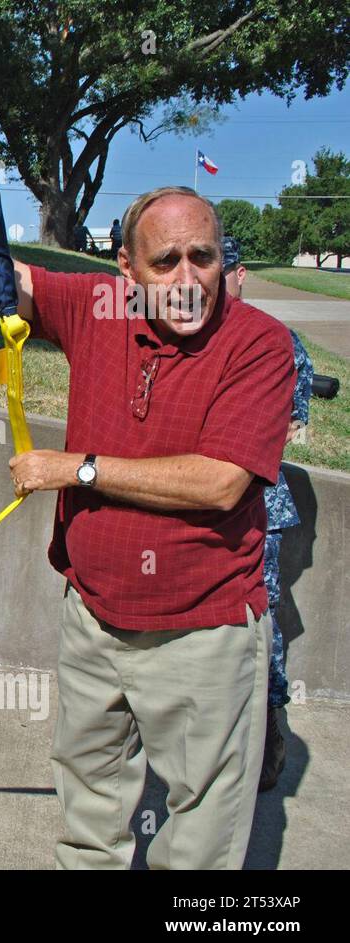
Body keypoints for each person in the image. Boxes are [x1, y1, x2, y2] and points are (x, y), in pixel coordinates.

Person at [0, 106, 294, 870]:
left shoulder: (255, 342)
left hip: (202, 630)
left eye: (204, 257)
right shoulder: (100, 309)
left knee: (199, 837)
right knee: (88, 811)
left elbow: (222, 483)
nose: (189, 279)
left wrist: (77, 467)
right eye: (166, 262)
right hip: (92, 618)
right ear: (125, 271)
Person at [221, 236, 314, 792]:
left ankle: (266, 731)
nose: (218, 280)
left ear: (242, 273)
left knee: (260, 627)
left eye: (226, 269)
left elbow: (290, 427)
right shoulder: (189, 331)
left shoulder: (277, 340)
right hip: (195, 510)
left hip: (259, 507)